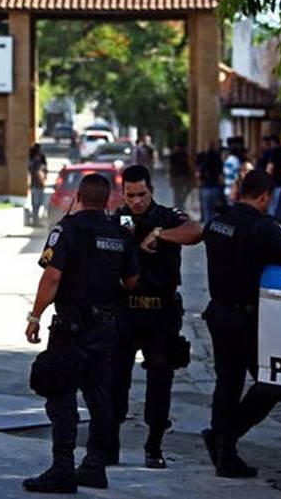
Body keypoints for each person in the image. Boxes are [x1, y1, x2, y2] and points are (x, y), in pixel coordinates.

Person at [201, 170, 281, 478]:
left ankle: (224, 449)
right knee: (273, 381)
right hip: (246, 320)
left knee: (228, 382)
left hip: (218, 313)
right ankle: (226, 440)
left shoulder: (218, 222)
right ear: (263, 196)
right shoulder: (263, 227)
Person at [23, 174, 139, 493]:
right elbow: (132, 282)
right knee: (100, 399)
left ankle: (62, 468)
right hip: (104, 330)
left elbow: (52, 278)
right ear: (108, 201)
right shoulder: (120, 234)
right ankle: (94, 466)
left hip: (70, 329)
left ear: (78, 197)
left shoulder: (67, 231)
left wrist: (35, 316)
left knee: (61, 396)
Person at [108, 165, 203, 469]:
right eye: (131, 195)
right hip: (126, 311)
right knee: (115, 380)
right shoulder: (119, 218)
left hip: (161, 312)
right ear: (123, 193)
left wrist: (160, 235)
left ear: (151, 190)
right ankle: (110, 446)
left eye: (142, 194)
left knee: (160, 379)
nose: (136, 201)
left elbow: (196, 232)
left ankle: (154, 446)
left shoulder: (166, 216)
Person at [196, 140, 224, 222]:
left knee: (207, 212)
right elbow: (221, 176)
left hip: (205, 187)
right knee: (215, 212)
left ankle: (208, 230)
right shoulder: (218, 158)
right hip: (215, 187)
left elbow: (198, 174)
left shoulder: (202, 158)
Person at [168, 142, 192, 210]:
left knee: (187, 190)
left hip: (184, 176)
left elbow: (189, 165)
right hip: (177, 176)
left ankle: (180, 203)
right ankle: (177, 204)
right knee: (177, 191)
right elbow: (170, 167)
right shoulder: (174, 155)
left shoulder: (185, 155)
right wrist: (171, 178)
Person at [29, 143, 48, 226]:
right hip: (38, 186)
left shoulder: (32, 161)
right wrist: (43, 183)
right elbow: (38, 173)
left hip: (34, 185)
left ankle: (35, 221)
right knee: (37, 204)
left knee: (35, 205)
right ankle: (36, 221)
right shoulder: (38, 161)